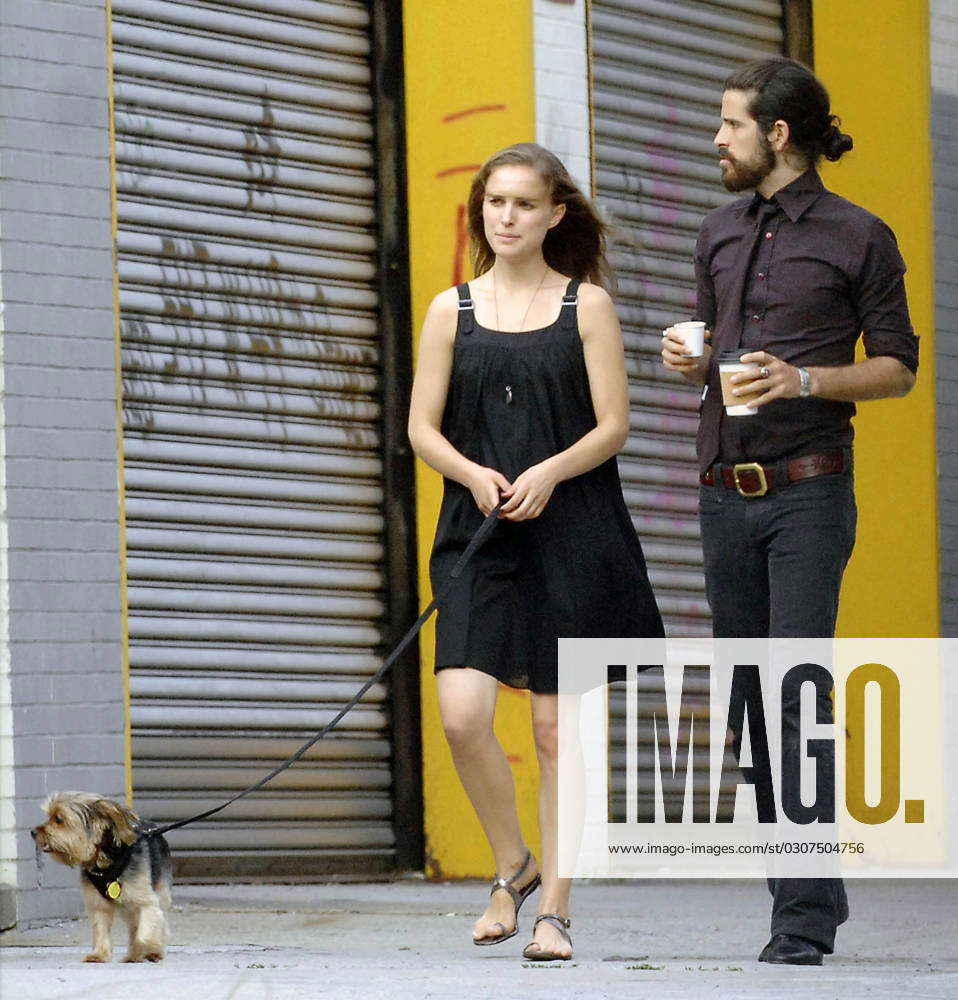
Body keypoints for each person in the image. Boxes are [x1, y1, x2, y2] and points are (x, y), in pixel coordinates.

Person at [661, 57, 919, 966]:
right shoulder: (717, 231)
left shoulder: (860, 236)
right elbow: (715, 355)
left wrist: (805, 380)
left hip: (809, 491)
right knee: (750, 705)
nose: (717, 139)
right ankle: (812, 883)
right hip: (724, 494)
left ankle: (802, 920)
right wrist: (694, 363)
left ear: (777, 135)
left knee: (796, 692)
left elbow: (898, 367)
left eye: (730, 124)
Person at [409, 142, 663, 962]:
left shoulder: (586, 306)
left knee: (555, 731)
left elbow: (614, 426)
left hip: (573, 532)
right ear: (480, 211)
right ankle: (512, 862)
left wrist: (550, 470)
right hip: (477, 534)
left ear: (556, 214)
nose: (507, 217)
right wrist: (470, 473)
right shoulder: (450, 309)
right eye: (495, 203)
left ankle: (554, 906)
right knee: (462, 714)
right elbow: (421, 428)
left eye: (524, 203)